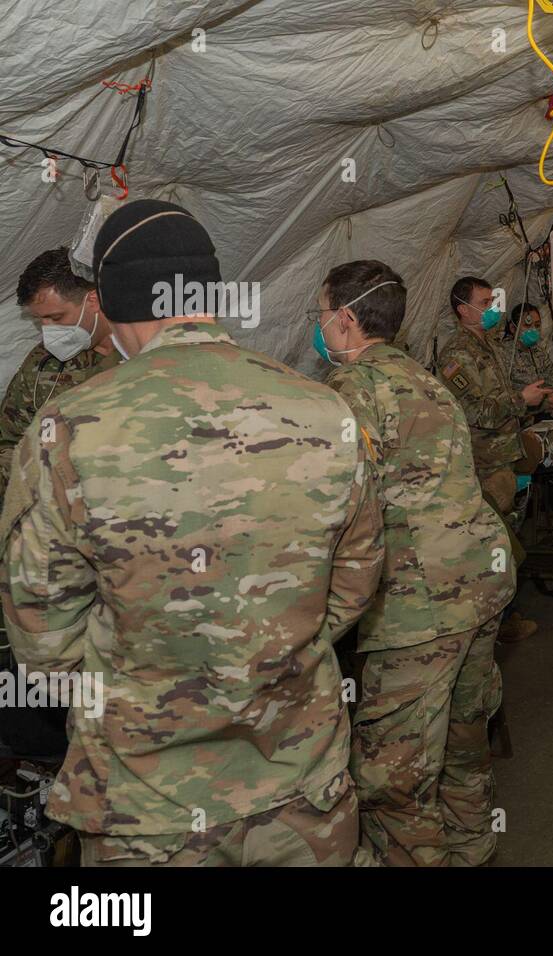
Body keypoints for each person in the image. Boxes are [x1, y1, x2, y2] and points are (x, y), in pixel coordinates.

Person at [0, 199, 385, 866]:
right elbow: (354, 583)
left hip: (147, 800)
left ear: (112, 300)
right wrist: (265, 657)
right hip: (299, 781)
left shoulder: (68, 429)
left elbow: (42, 633)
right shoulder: (326, 410)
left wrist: (143, 667)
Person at [314, 259, 516, 866]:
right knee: (462, 736)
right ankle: (473, 849)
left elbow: (340, 507)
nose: (319, 326)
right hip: (478, 579)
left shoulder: (350, 392)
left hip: (418, 605)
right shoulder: (426, 379)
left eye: (320, 315)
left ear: (346, 320)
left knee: (393, 771)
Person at [437, 275, 553, 643]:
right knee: (493, 548)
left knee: (506, 544)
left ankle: (505, 615)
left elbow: (504, 395)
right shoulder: (456, 356)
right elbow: (475, 410)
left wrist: (541, 400)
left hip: (505, 457)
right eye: (484, 302)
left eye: (493, 300)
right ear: (463, 310)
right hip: (484, 462)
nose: (493, 308)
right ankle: (494, 624)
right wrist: (522, 400)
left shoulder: (486, 345)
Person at [1, 248, 119, 492]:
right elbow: (9, 441)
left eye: (56, 317)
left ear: (93, 300)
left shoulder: (145, 356)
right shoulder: (43, 362)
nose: (48, 330)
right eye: (40, 320)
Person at [505, 302, 553, 402]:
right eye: (527, 325)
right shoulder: (504, 354)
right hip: (520, 412)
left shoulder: (539, 352)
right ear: (513, 328)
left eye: (537, 325)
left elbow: (552, 381)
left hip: (545, 409)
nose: (533, 330)